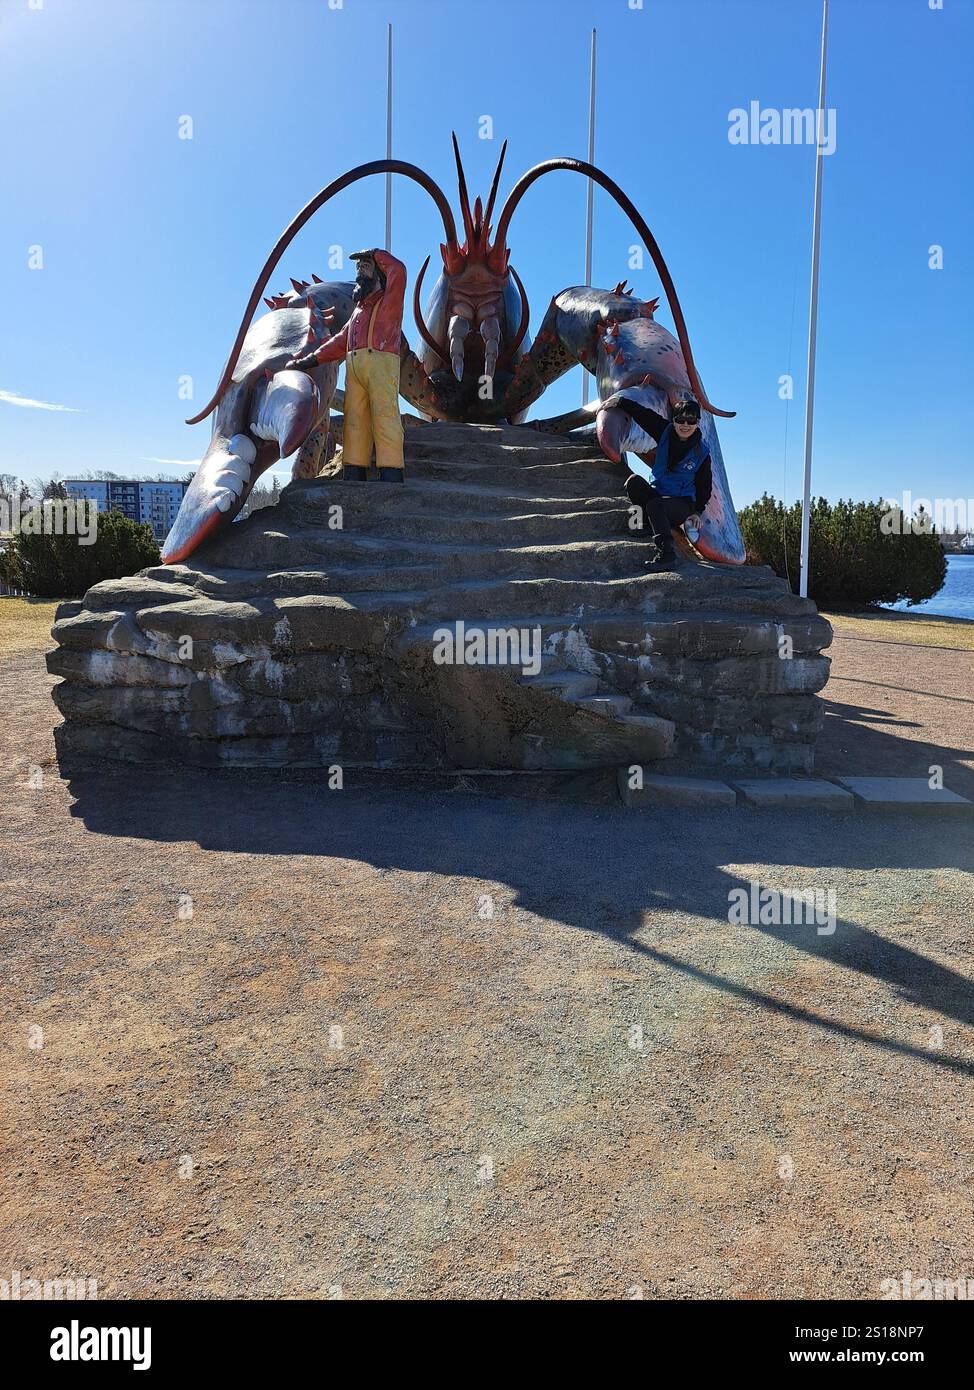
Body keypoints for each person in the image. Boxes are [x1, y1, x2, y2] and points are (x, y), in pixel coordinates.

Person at [286, 249, 407, 482]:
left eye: (366, 265)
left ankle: (391, 470)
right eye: (358, 266)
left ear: (379, 272)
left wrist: (376, 254)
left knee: (385, 416)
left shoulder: (390, 300)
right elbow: (340, 341)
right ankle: (355, 467)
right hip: (355, 368)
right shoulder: (357, 312)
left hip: (382, 364)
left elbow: (399, 270)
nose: (360, 269)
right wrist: (310, 360)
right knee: (355, 418)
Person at [610, 394, 712, 571]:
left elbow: (705, 485)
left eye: (691, 420)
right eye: (681, 419)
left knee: (656, 506)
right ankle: (643, 525)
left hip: (682, 503)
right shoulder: (664, 431)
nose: (685, 425)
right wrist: (621, 401)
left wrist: (698, 512)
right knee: (633, 483)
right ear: (674, 420)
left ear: (697, 423)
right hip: (659, 493)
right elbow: (644, 414)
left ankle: (667, 555)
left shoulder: (701, 452)